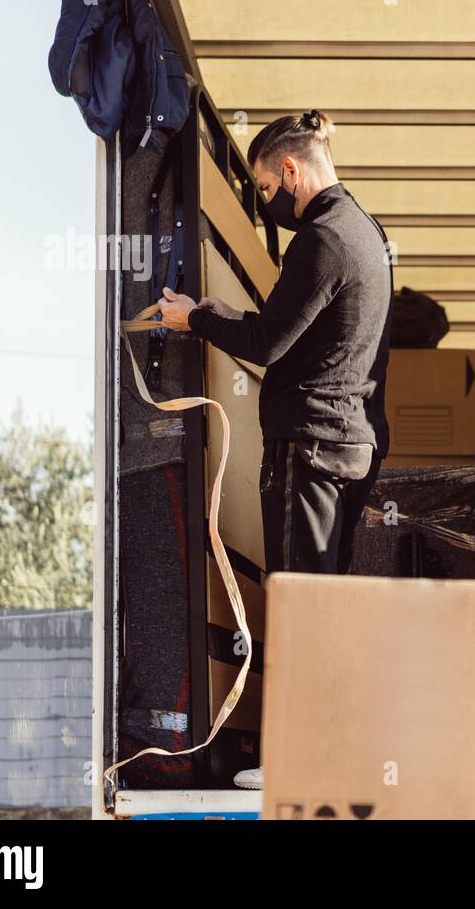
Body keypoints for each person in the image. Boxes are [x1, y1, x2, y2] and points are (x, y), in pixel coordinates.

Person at [157, 110, 392, 789]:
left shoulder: (323, 238)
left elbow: (268, 342)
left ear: (291, 170)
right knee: (325, 608)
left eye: (264, 188)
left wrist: (196, 318)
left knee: (299, 606)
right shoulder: (367, 232)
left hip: (311, 446)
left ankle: (300, 762)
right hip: (350, 444)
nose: (268, 202)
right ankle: (327, 755)